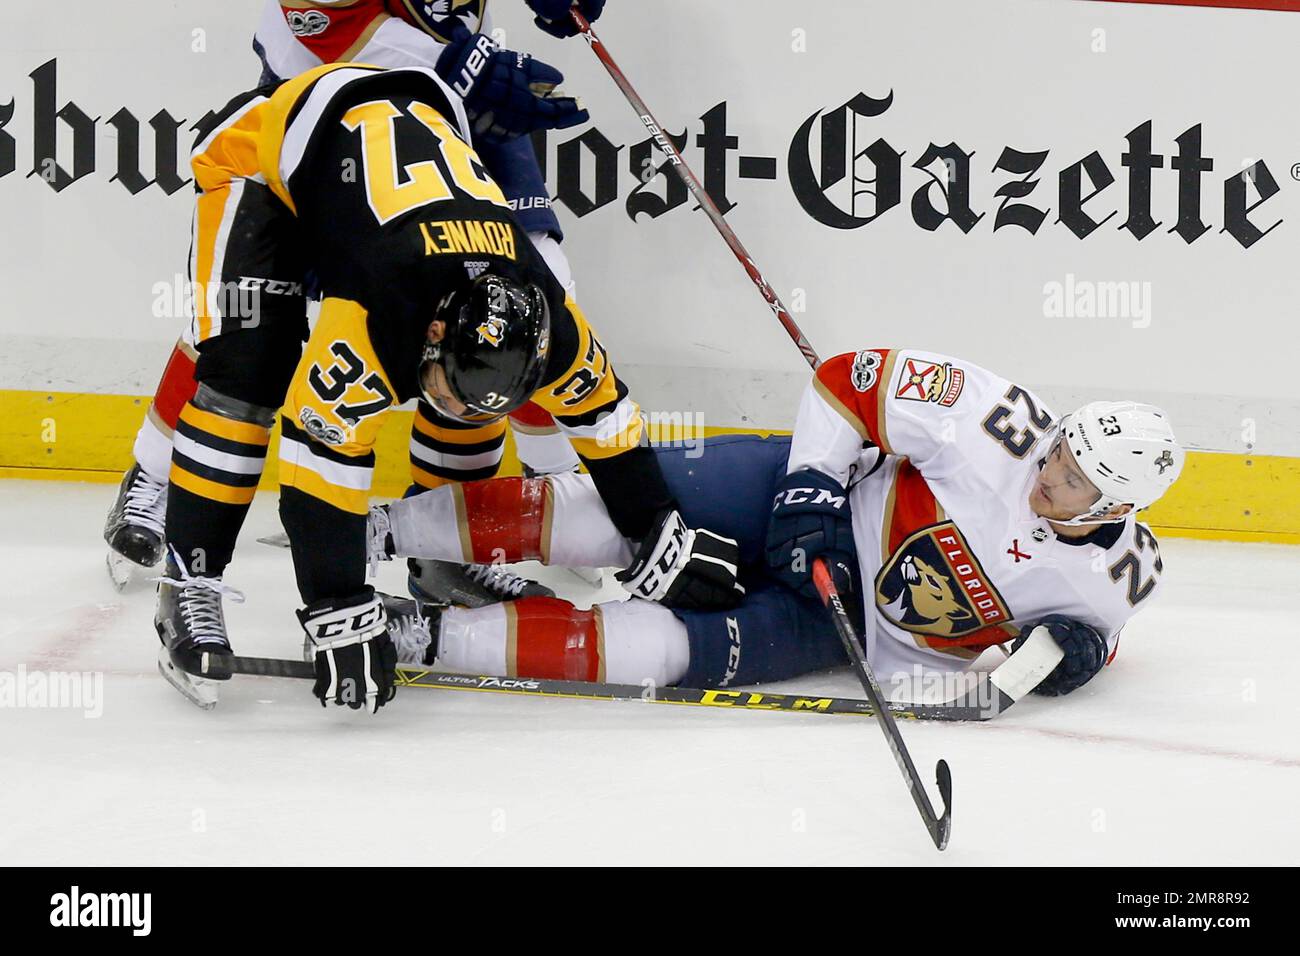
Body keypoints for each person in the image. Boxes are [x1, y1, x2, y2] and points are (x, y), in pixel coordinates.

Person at [154, 61, 743, 714]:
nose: (454, 404)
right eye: (446, 380)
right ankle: (188, 579)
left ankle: (440, 561)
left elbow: (609, 427)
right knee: (247, 379)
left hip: (392, 162)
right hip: (262, 160)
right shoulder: (376, 313)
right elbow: (317, 462)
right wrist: (340, 608)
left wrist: (656, 532)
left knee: (470, 408)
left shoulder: (556, 323)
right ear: (433, 330)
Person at [104, 0, 607, 596]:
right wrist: (454, 61)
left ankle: (490, 520)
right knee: (247, 314)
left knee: (525, 292)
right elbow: (318, 18)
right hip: (329, 93)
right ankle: (158, 472)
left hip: (452, 104)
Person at [369, 347, 1183, 701]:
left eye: (1073, 480)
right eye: (1060, 451)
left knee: (664, 654)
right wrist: (813, 487)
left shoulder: (1120, 574)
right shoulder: (994, 416)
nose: (1048, 472)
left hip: (840, 620)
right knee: (610, 510)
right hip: (803, 499)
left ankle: (427, 641)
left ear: (1114, 510)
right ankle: (379, 530)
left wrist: (1074, 655)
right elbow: (845, 380)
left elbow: (1092, 636)